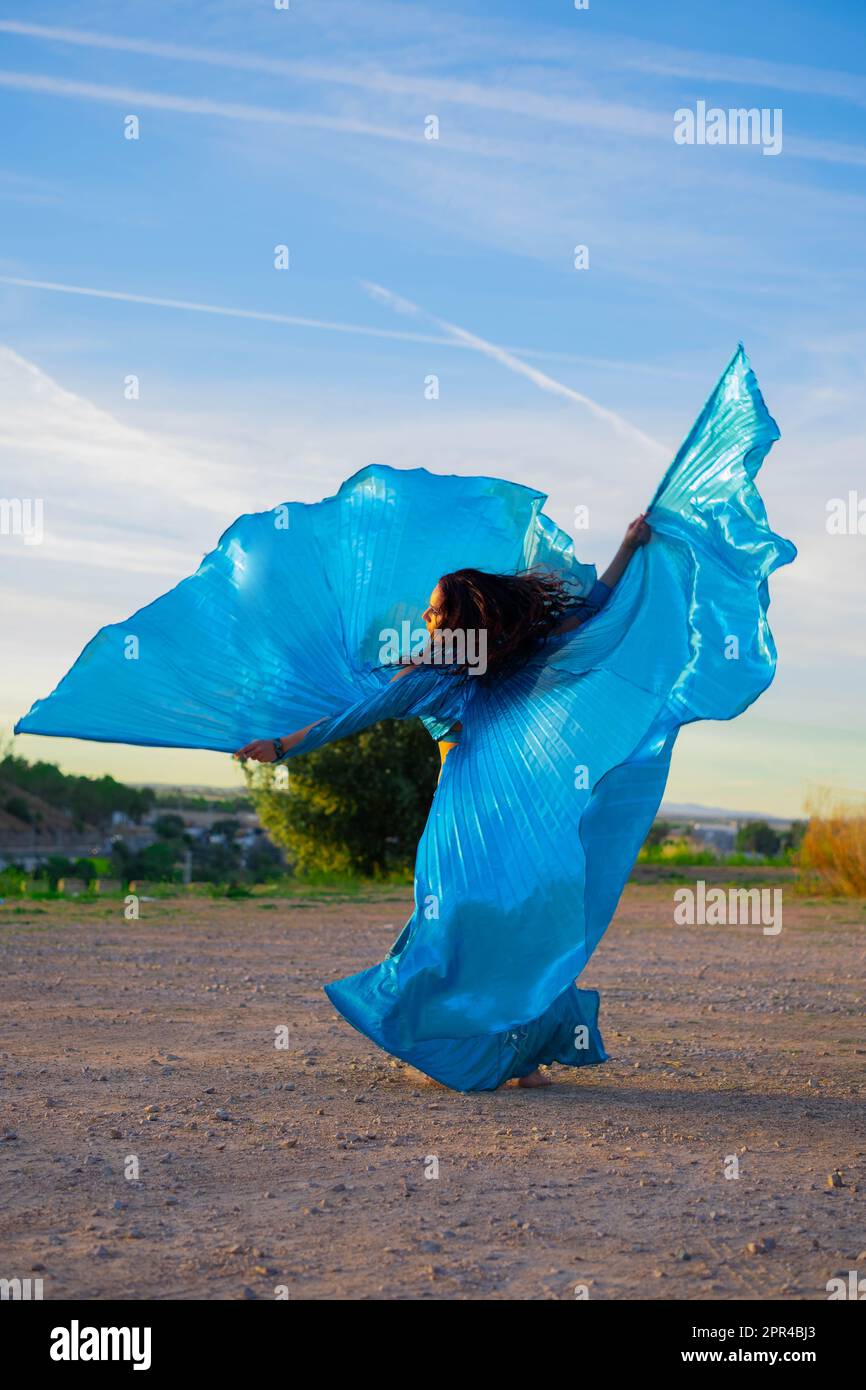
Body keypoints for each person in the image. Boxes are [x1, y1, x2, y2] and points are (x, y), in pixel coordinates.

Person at [15, 346, 796, 1093]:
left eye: (434, 612)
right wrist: (286, 740)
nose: (424, 623)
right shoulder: (467, 669)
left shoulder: (486, 666)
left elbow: (374, 705)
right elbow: (562, 622)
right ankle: (503, 1048)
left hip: (485, 808)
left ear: (466, 616)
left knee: (485, 918)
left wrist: (281, 744)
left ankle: (484, 1044)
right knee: (486, 917)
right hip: (490, 808)